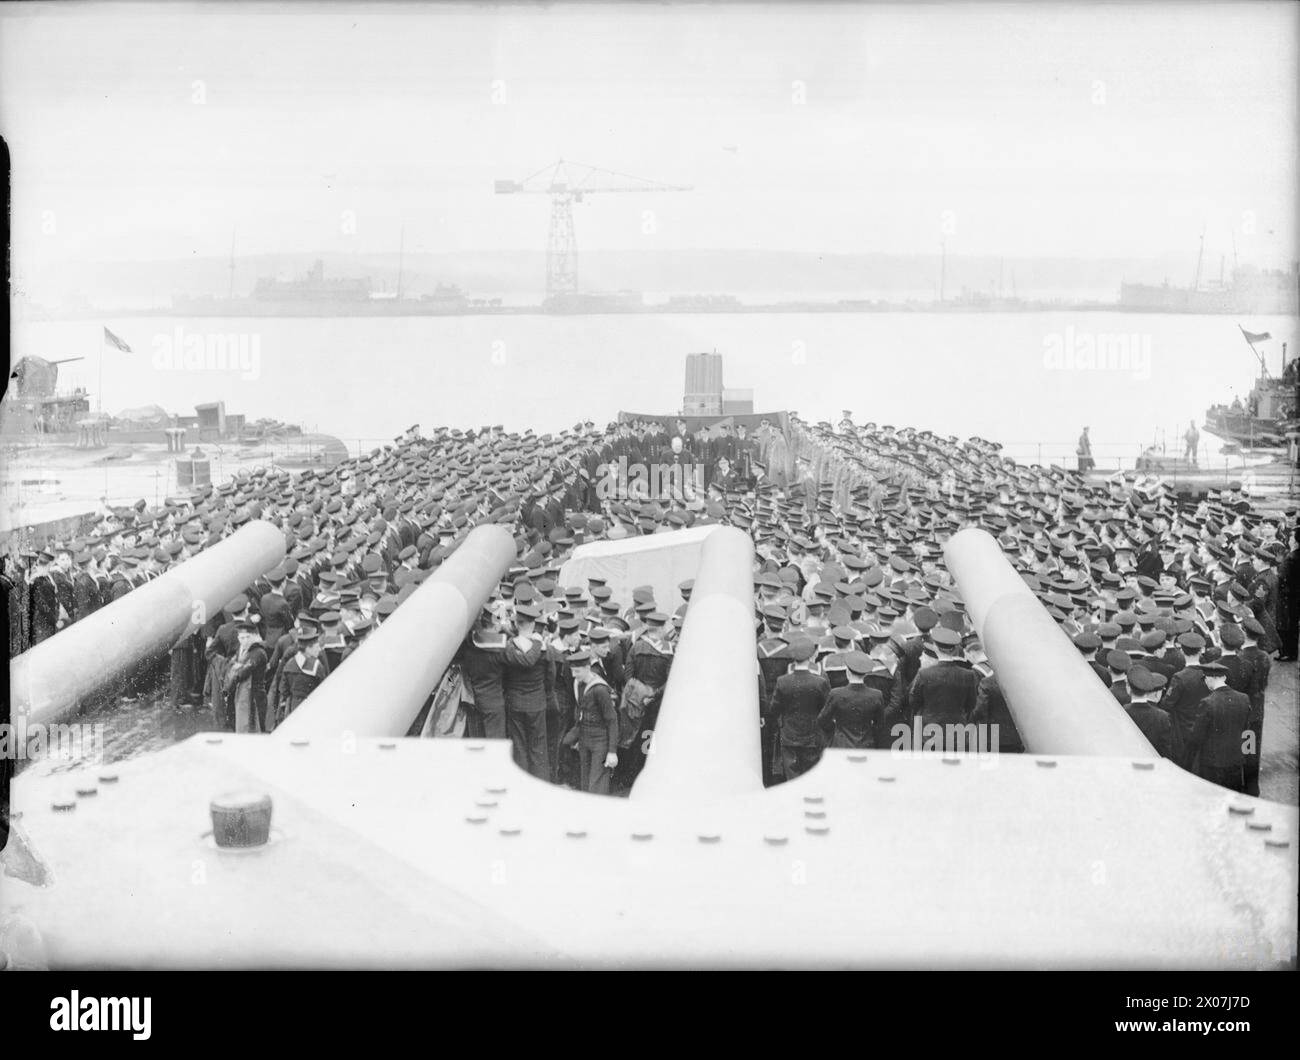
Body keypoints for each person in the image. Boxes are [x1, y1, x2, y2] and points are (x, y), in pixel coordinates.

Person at [908, 627, 979, 750]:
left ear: (935, 647)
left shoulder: (924, 674)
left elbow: (914, 702)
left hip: (929, 732)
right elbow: (971, 704)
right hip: (957, 732)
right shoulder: (968, 675)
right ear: (954, 650)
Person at [769, 635, 830, 780]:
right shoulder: (819, 682)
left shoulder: (782, 681)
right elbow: (827, 709)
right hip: (812, 736)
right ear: (810, 656)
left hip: (789, 735)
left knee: (791, 776)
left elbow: (773, 709)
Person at [501, 603, 550, 782]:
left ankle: (521, 785)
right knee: (539, 748)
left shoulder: (508, 646)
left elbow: (504, 676)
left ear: (517, 624)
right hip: (537, 701)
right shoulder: (543, 647)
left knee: (519, 747)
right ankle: (541, 785)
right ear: (532, 624)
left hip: (515, 701)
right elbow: (550, 675)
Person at [1187, 661, 1251, 792]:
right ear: (1224, 677)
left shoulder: (1207, 702)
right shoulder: (1244, 698)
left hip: (1213, 764)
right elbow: (1248, 730)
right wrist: (1247, 756)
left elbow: (1196, 737)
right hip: (1236, 761)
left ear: (1209, 679)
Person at [567, 650, 619, 794]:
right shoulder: (577, 683)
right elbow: (579, 711)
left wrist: (612, 752)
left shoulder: (600, 689)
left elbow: (612, 720)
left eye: (577, 671)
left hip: (600, 741)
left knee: (597, 784)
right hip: (584, 739)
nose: (573, 675)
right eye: (572, 671)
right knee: (585, 782)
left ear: (587, 668)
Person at [816, 651, 887, 749]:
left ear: (848, 672)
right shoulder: (876, 695)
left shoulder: (836, 694)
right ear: (865, 674)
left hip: (841, 745)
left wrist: (836, 727)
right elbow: (880, 724)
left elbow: (822, 720)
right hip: (866, 745)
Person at [1124, 665, 1173, 759]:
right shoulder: (1162, 716)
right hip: (1152, 766)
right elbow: (1165, 750)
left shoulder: (1121, 712)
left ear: (1129, 688)